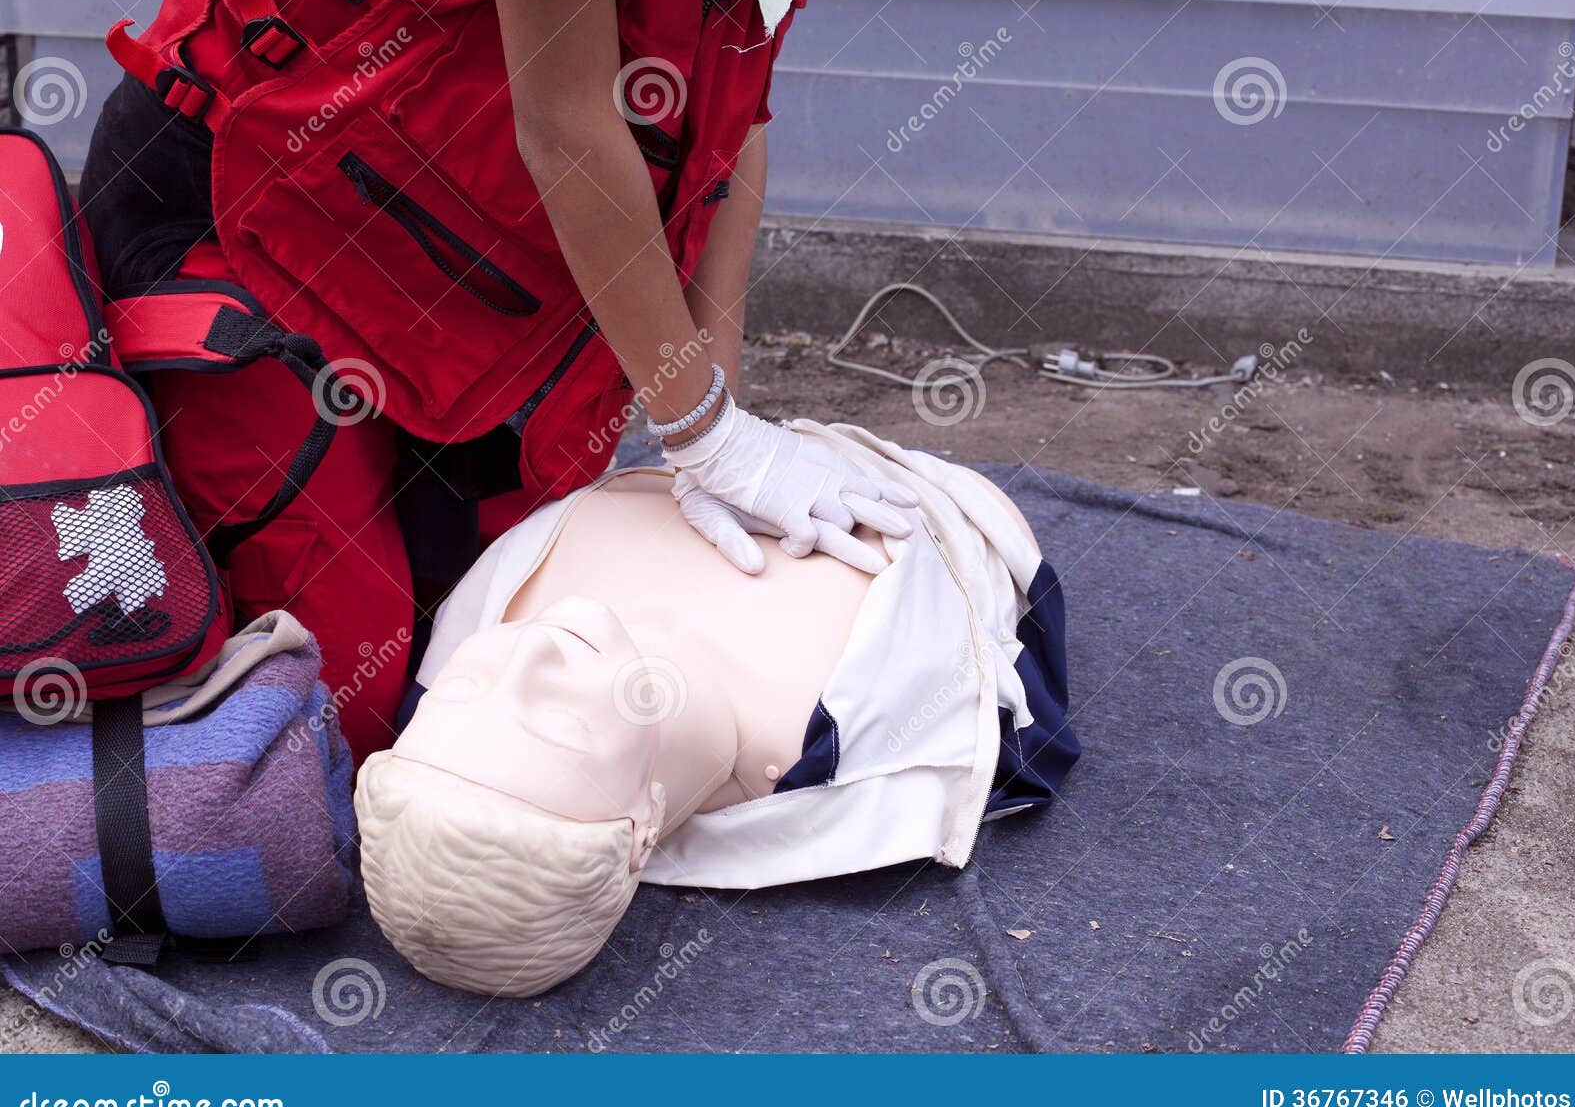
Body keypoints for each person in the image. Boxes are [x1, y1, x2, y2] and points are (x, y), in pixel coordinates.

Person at [79, 0, 910, 764]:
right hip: (242, 204)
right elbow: (566, 127)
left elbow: (733, 123)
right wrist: (703, 428)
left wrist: (720, 430)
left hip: (436, 255)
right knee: (342, 729)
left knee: (511, 672)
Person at [355, 424, 1081, 998]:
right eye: (558, 723)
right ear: (638, 832)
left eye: (462, 688)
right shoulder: (850, 730)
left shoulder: (478, 613)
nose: (530, 654)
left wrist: (709, 428)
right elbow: (999, 561)